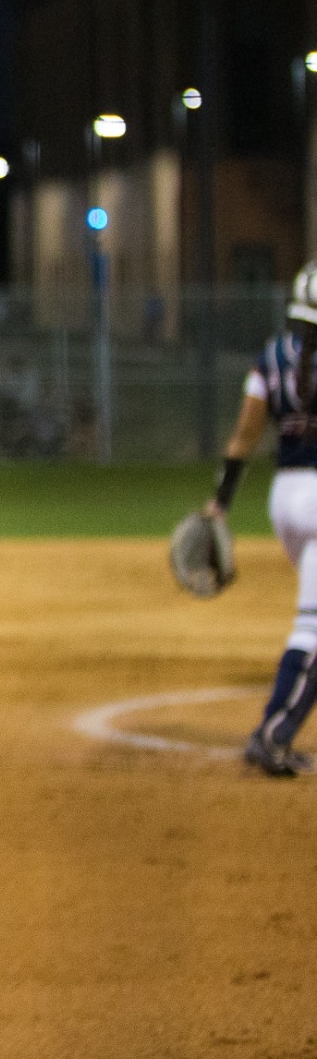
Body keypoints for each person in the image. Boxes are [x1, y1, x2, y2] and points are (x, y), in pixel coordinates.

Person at [208, 259, 317, 777]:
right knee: (313, 628)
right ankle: (273, 733)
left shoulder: (271, 357)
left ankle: (274, 729)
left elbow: (244, 437)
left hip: (286, 500)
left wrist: (220, 503)